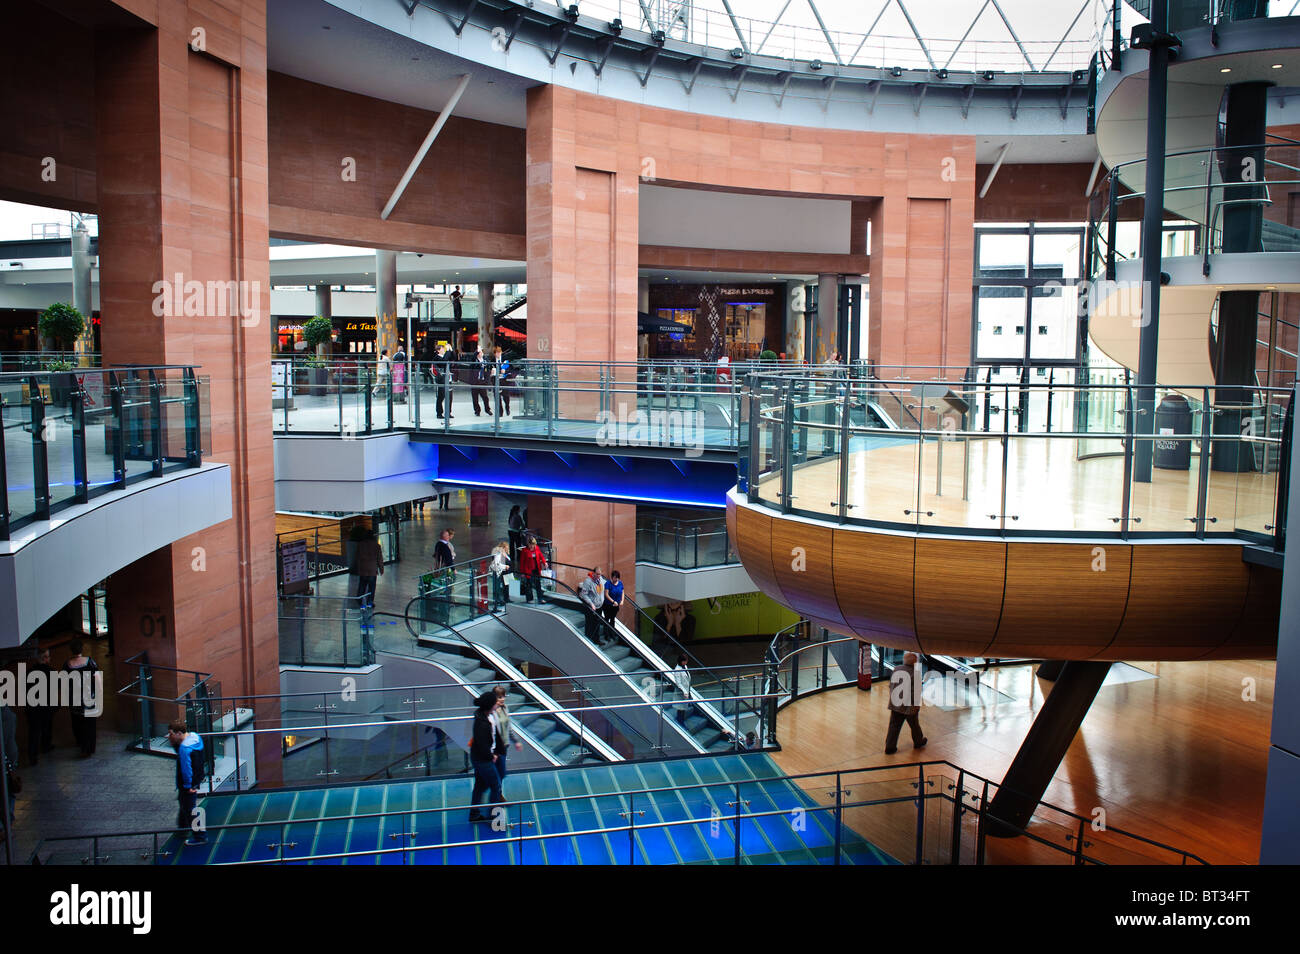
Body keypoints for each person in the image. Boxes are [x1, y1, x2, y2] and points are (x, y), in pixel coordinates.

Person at [167, 719, 207, 846]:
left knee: (190, 809)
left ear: (179, 733)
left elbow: (186, 769)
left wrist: (188, 786)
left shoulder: (184, 748)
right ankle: (182, 828)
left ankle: (200, 837)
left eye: (171, 734)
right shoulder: (196, 738)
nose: (169, 736)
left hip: (188, 784)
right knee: (184, 804)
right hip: (197, 777)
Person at [468, 691, 504, 823]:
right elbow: (482, 744)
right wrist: (491, 756)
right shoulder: (482, 723)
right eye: (495, 702)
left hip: (481, 758)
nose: (497, 703)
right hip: (483, 760)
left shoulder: (485, 717)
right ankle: (494, 816)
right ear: (490, 705)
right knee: (496, 785)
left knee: (479, 785)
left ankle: (474, 814)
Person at [884, 652, 927, 755]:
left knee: (894, 726)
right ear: (915, 662)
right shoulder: (915, 674)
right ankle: (918, 742)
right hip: (909, 706)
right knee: (914, 725)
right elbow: (916, 692)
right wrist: (916, 706)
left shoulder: (896, 669)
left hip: (896, 703)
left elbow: (891, 685)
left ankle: (890, 747)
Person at [62, 641, 99, 758]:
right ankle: (90, 747)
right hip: (88, 697)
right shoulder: (90, 662)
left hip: (75, 698)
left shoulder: (67, 665)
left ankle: (82, 745)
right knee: (91, 724)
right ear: (81, 649)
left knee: (79, 723)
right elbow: (97, 679)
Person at [26, 646, 55, 765]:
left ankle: (33, 756)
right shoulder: (51, 672)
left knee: (34, 732)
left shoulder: (29, 672)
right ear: (46, 658)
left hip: (32, 707)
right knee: (47, 727)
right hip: (46, 706)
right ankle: (46, 746)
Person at [491, 685, 523, 786]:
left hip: (504, 746)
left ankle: (498, 793)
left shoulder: (505, 708)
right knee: (498, 773)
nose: (503, 699)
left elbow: (508, 727)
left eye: (504, 696)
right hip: (495, 748)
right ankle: (497, 795)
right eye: (500, 697)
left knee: (501, 773)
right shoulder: (491, 712)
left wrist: (516, 741)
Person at [354, 528, 384, 610]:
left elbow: (357, 557)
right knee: (371, 587)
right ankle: (370, 602)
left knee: (362, 586)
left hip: (363, 569)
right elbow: (379, 559)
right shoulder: (376, 546)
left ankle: (360, 602)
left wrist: (357, 568)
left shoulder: (360, 545)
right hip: (372, 570)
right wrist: (381, 569)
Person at [579, 566, 605, 645]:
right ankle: (588, 640)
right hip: (591, 606)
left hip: (599, 605)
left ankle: (596, 639)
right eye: (597, 574)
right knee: (590, 623)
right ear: (593, 573)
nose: (598, 576)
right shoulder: (588, 582)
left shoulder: (600, 580)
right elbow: (584, 595)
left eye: (600, 575)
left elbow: (604, 589)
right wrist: (591, 604)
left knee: (597, 623)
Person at [519, 534, 548, 604]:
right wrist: (522, 572)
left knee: (538, 584)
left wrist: (545, 562)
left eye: (533, 544)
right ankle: (529, 599)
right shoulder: (524, 551)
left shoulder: (537, 548)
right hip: (528, 570)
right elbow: (522, 562)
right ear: (528, 544)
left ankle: (540, 599)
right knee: (529, 585)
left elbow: (541, 556)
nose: (532, 546)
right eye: (531, 544)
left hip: (536, 569)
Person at [667, 654, 692, 725]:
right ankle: (680, 721)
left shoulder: (685, 666)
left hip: (686, 690)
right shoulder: (677, 670)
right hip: (681, 691)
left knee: (683, 707)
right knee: (680, 707)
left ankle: (681, 720)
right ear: (681, 661)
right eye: (685, 661)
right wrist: (685, 692)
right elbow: (678, 683)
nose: (686, 662)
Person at [601, 569, 624, 636]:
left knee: (612, 619)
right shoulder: (608, 583)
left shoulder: (620, 583)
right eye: (615, 578)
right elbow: (606, 594)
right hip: (608, 605)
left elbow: (622, 592)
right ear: (612, 577)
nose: (616, 579)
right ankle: (606, 634)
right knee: (607, 618)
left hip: (616, 605)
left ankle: (612, 633)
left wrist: (622, 600)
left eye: (617, 578)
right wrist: (613, 601)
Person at [489, 541, 512, 608]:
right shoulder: (497, 552)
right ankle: (498, 600)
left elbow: (509, 560)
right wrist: (505, 566)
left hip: (507, 571)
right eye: (506, 548)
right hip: (499, 571)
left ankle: (507, 598)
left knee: (507, 585)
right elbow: (497, 564)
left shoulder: (505, 553)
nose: (507, 550)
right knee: (497, 586)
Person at [471, 348, 491, 417]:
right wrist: (477, 351)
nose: (481, 353)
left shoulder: (485, 361)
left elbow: (489, 368)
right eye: (480, 352)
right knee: (475, 398)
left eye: (482, 352)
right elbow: (473, 357)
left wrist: (486, 380)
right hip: (475, 381)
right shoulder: (474, 360)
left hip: (482, 381)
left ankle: (487, 409)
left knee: (485, 397)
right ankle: (477, 411)